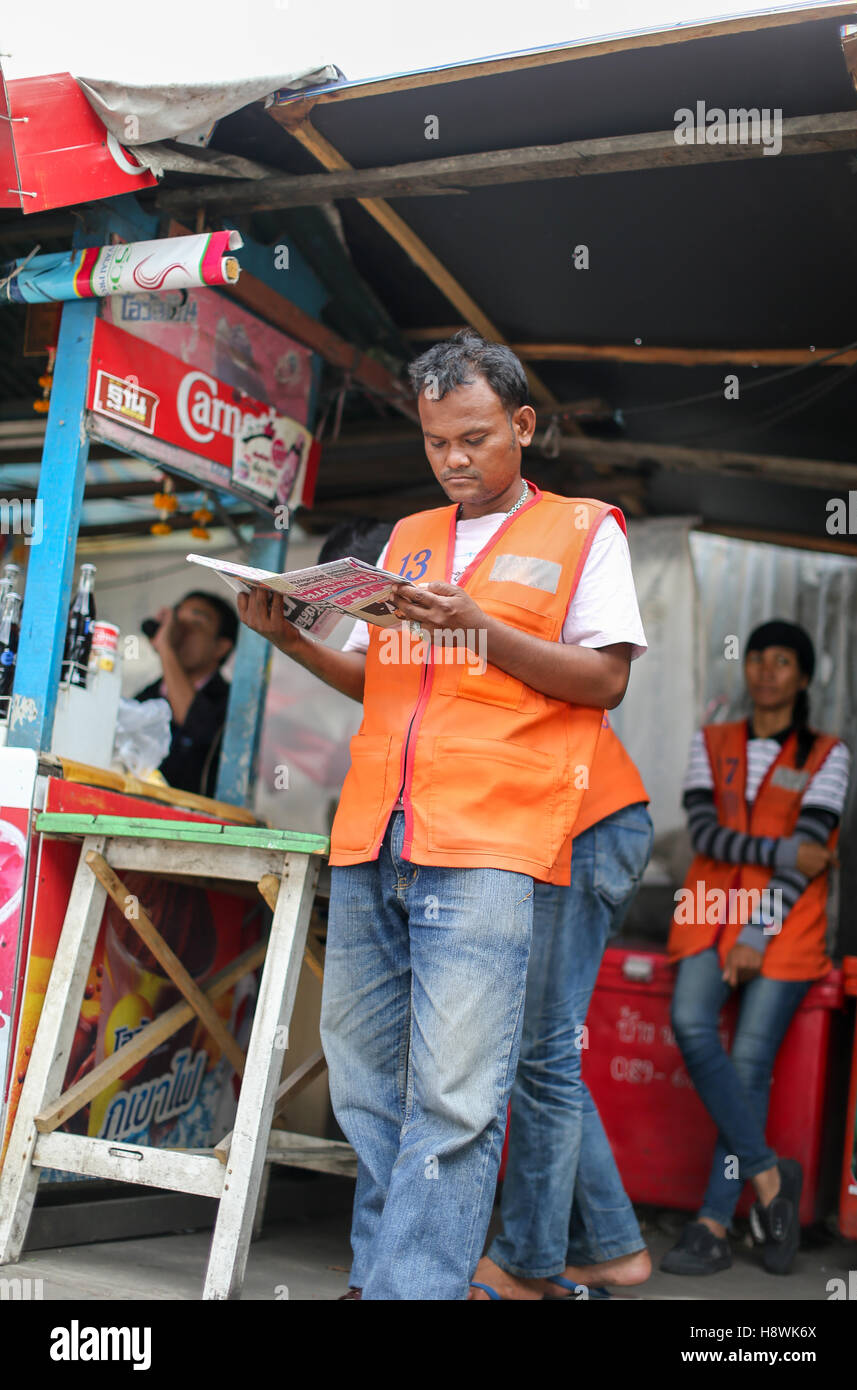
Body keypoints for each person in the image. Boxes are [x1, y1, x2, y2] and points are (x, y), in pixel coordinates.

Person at [238, 328, 641, 1301]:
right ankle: (387, 1273)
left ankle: (413, 1286)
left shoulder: (585, 529)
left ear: (522, 423)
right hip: (377, 831)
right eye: (435, 443)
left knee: (457, 1095)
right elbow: (385, 684)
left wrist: (481, 628)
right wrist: (286, 638)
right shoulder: (408, 536)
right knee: (370, 1084)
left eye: (472, 438)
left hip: (491, 840)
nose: (454, 460)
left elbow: (604, 680)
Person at [661, 620, 850, 1277]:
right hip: (708, 910)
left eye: (782, 662)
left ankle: (712, 1224)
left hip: (786, 921)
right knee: (689, 1021)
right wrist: (775, 849)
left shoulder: (828, 753)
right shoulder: (710, 742)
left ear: (802, 677)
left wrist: (755, 930)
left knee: (747, 1062)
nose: (766, 671)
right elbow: (706, 834)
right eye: (757, 660)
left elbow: (811, 860)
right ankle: (770, 1178)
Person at [470, 721, 654, 1300]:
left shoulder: (466, 631)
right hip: (596, 820)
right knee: (548, 1058)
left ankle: (529, 1261)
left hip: (578, 825)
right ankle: (614, 1248)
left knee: (544, 1056)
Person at [136, 590, 238, 798]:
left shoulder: (233, 702)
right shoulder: (145, 696)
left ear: (220, 647)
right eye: (179, 620)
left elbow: (196, 726)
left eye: (197, 624)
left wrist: (166, 648)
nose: (181, 630)